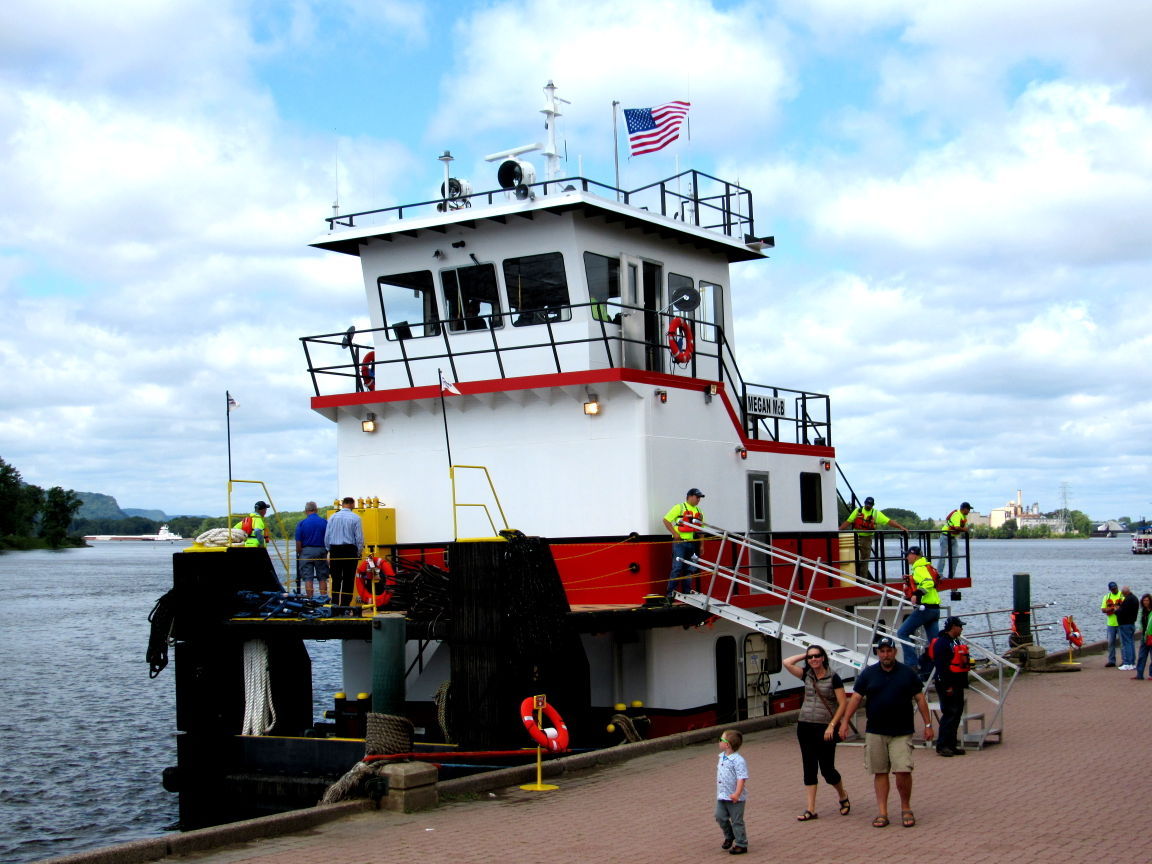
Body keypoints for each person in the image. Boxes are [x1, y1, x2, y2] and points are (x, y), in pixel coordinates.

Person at [839, 636, 933, 829]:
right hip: (875, 731)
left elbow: (920, 699)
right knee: (880, 771)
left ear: (895, 652)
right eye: (882, 651)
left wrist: (928, 724)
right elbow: (856, 698)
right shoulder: (868, 674)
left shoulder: (908, 673)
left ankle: (906, 808)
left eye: (889, 650)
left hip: (901, 731)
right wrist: (844, 722)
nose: (886, 654)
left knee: (902, 771)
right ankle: (882, 812)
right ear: (877, 653)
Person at [782, 647, 850, 821]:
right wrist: (805, 655)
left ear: (823, 658)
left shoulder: (833, 678)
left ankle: (842, 795)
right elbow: (787, 663)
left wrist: (832, 725)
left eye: (817, 656)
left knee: (827, 770)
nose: (814, 659)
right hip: (805, 725)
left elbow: (842, 704)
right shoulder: (807, 675)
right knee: (809, 767)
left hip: (825, 726)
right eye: (810, 657)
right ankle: (811, 809)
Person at [895, 546, 940, 675]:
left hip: (925, 608)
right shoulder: (925, 566)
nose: (906, 557)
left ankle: (912, 664)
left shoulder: (919, 568)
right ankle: (933, 669)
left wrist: (917, 594)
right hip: (935, 609)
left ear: (915, 556)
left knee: (902, 633)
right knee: (934, 642)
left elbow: (928, 583)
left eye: (908, 554)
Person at [838, 496, 907, 580]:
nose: (868, 506)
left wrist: (900, 527)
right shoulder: (857, 511)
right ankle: (853, 578)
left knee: (865, 559)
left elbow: (889, 521)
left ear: (873, 505)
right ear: (864, 503)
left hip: (867, 538)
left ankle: (863, 579)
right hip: (855, 536)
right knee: (853, 557)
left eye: (870, 504)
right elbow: (849, 521)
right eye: (867, 504)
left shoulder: (876, 513)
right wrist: (838, 530)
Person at [930, 617, 969, 756]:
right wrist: (947, 686)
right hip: (947, 684)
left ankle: (952, 744)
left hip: (957, 683)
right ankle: (942, 745)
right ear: (953, 627)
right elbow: (941, 667)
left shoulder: (955, 641)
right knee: (949, 713)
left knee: (956, 713)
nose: (962, 628)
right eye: (960, 626)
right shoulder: (942, 643)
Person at [663, 488, 705, 600]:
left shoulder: (699, 511)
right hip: (679, 543)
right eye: (697, 497)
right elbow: (666, 520)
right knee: (677, 567)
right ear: (690, 496)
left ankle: (687, 592)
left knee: (689, 568)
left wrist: (701, 545)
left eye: (699, 498)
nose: (698, 500)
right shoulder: (679, 507)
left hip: (691, 544)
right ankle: (670, 593)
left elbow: (701, 530)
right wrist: (674, 533)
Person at [324, 497, 364, 614]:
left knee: (336, 579)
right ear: (351, 504)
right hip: (350, 550)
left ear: (342, 504)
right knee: (348, 579)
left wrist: (329, 549)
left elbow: (327, 536)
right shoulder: (356, 518)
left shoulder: (332, 517)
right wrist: (358, 552)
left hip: (335, 550)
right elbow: (359, 538)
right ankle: (345, 607)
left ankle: (335, 607)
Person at [715, 729, 749, 855]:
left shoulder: (738, 760)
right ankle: (729, 835)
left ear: (727, 744)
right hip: (722, 795)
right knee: (719, 816)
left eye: (721, 739)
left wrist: (737, 793)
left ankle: (741, 843)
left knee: (737, 820)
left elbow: (742, 778)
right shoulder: (721, 757)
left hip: (735, 798)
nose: (719, 742)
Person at [294, 501, 328, 598]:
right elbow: (328, 538)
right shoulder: (324, 522)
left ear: (306, 511)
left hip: (306, 551)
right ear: (316, 510)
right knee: (322, 577)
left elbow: (298, 541)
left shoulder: (301, 523)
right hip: (321, 550)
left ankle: (310, 600)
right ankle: (324, 598)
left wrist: (300, 552)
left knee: (308, 578)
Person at [936, 502, 972, 579]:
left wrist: (965, 529)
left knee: (955, 557)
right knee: (943, 556)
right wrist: (964, 529)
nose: (969, 511)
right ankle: (939, 574)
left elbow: (962, 527)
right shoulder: (957, 515)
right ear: (964, 509)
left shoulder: (963, 516)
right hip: (945, 537)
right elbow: (956, 527)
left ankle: (951, 575)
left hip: (953, 538)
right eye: (968, 509)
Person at [1101, 581, 1124, 667]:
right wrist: (1110, 609)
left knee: (1122, 642)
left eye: (1115, 588)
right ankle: (1111, 660)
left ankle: (1124, 660)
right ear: (1110, 589)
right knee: (1111, 642)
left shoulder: (1122, 596)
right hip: (1111, 623)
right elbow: (1103, 609)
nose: (1114, 590)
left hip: (1121, 622)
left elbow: (1126, 607)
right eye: (1113, 589)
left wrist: (1118, 608)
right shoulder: (1107, 597)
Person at [1115, 585, 1139, 670]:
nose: (1122, 594)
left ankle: (1128, 663)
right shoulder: (1134, 598)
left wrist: (1117, 610)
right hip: (1131, 623)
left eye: (1122, 592)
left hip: (1125, 624)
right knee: (1131, 642)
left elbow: (1123, 612)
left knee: (1126, 643)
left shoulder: (1128, 600)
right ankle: (1132, 662)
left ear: (1125, 592)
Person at [1133, 594, 1152, 680]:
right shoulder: (1142, 611)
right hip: (1144, 637)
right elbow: (1141, 623)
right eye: (1144, 600)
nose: (1145, 602)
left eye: (1147, 600)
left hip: (1151, 637)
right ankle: (1139, 674)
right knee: (1141, 656)